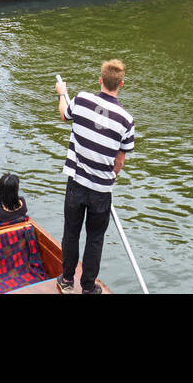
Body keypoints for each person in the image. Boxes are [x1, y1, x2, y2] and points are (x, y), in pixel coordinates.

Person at [54, 59, 135, 295]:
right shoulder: (126, 120)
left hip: (76, 183)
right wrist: (109, 176)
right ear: (121, 84)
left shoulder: (80, 100)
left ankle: (67, 280)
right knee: (95, 239)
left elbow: (64, 115)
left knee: (71, 231)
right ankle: (88, 288)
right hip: (102, 190)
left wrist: (62, 94)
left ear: (100, 80)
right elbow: (118, 163)